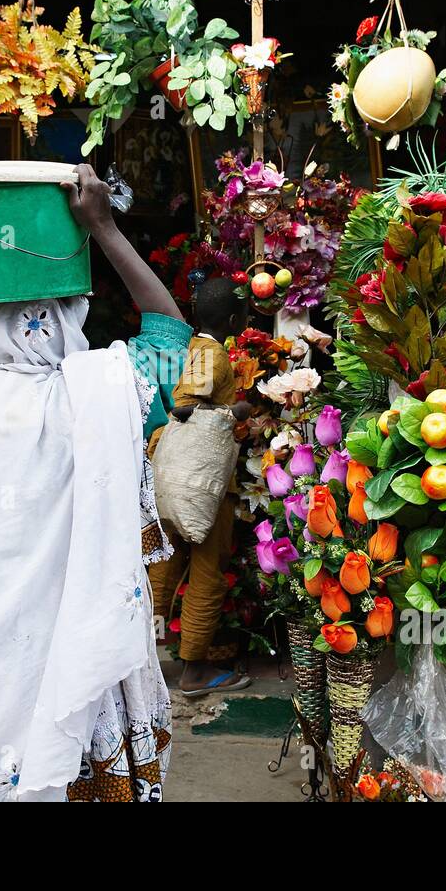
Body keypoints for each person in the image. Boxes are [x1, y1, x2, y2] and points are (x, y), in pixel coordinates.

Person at [0, 164, 193, 802]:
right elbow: (173, 341)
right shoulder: (98, 395)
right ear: (64, 318)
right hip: (74, 656)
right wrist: (103, 229)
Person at [146, 277, 254, 697]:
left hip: (173, 481)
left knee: (163, 568)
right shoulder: (212, 352)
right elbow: (189, 406)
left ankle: (147, 660)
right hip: (203, 488)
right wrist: (237, 409)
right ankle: (193, 670)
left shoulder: (194, 348)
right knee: (208, 574)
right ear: (233, 318)